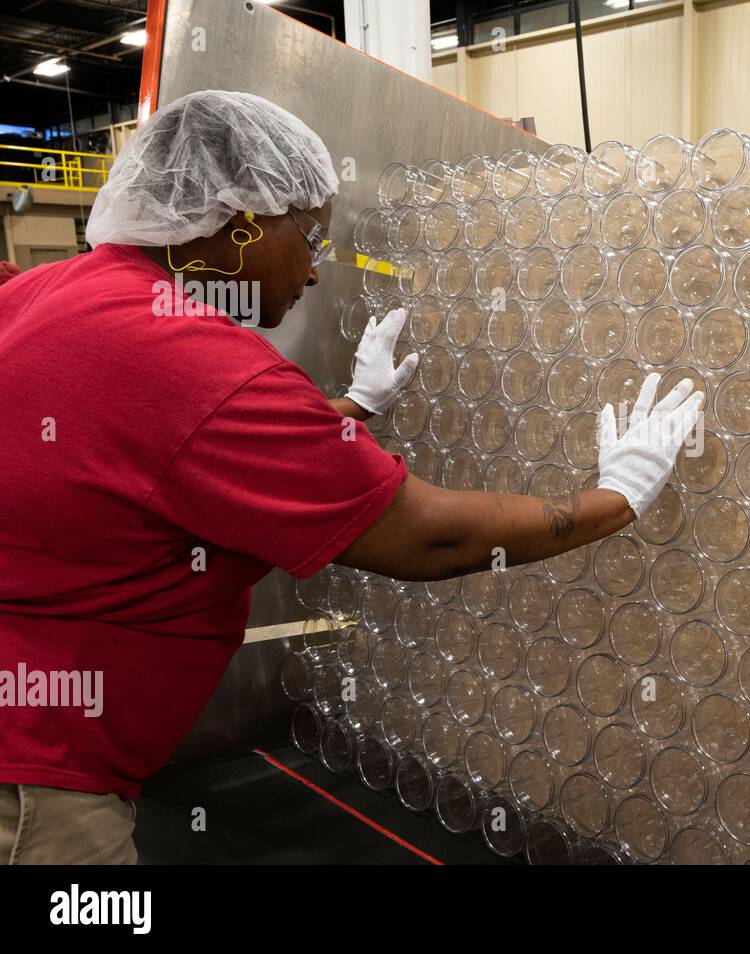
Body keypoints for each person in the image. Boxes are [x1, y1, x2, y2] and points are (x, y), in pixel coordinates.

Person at [0, 90, 701, 864]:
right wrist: (618, 496)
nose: (313, 271)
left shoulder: (51, 293)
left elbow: (164, 452)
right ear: (241, 228)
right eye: (310, 238)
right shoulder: (199, 365)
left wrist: (349, 408)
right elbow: (429, 540)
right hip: (38, 785)